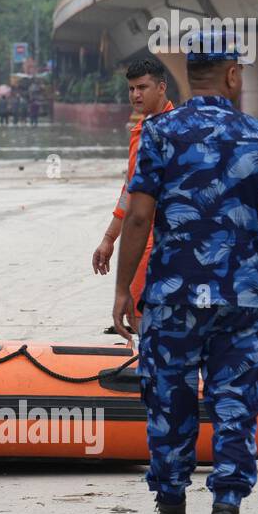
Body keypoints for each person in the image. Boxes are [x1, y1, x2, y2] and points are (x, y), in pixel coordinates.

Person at [113, 30, 258, 514]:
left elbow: (140, 216)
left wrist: (123, 289)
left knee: (169, 408)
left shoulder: (160, 133)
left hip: (171, 300)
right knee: (236, 408)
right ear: (234, 75)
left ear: (187, 75)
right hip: (239, 303)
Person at [91, 58, 174, 328]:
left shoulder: (172, 132)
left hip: (154, 243)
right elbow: (129, 190)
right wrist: (109, 238)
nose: (135, 95)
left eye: (142, 87)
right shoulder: (142, 131)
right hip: (153, 242)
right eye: (131, 89)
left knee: (141, 322)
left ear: (161, 88)